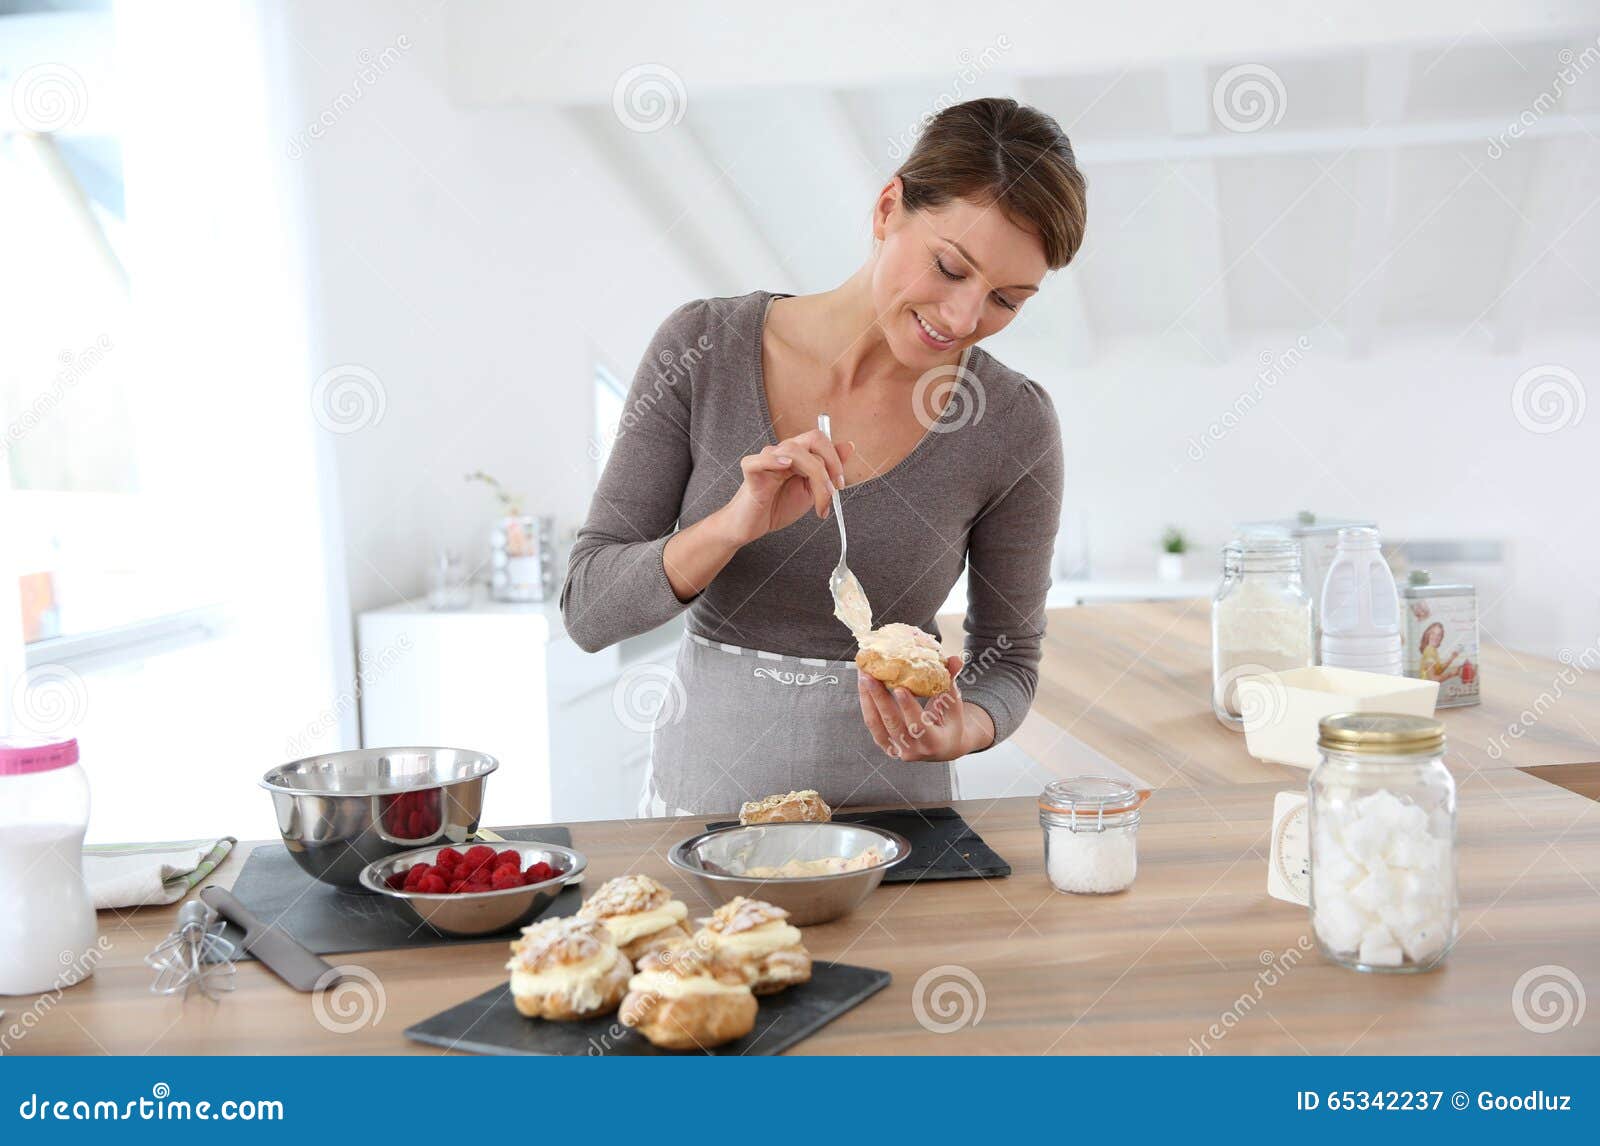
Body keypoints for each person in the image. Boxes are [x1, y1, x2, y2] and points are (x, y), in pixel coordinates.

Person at [560, 97, 1087, 816]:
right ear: (886, 208)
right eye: (950, 267)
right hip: (706, 826)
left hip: (900, 839)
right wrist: (729, 527)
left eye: (1007, 299)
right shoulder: (702, 348)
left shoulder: (1013, 424)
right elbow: (590, 610)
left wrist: (970, 724)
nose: (965, 320)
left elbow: (1011, 660)